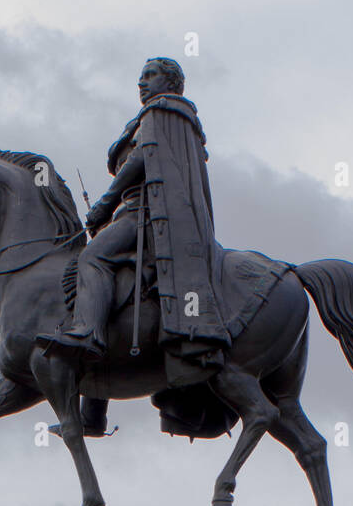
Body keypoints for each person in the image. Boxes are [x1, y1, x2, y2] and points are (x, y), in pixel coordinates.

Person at [41, 57, 229, 394]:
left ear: (170, 81)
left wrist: (104, 204)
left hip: (144, 215)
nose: (141, 83)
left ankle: (86, 333)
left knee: (92, 258)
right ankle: (94, 408)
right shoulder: (168, 118)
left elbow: (142, 159)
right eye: (140, 77)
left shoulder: (161, 113)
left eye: (150, 75)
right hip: (135, 213)